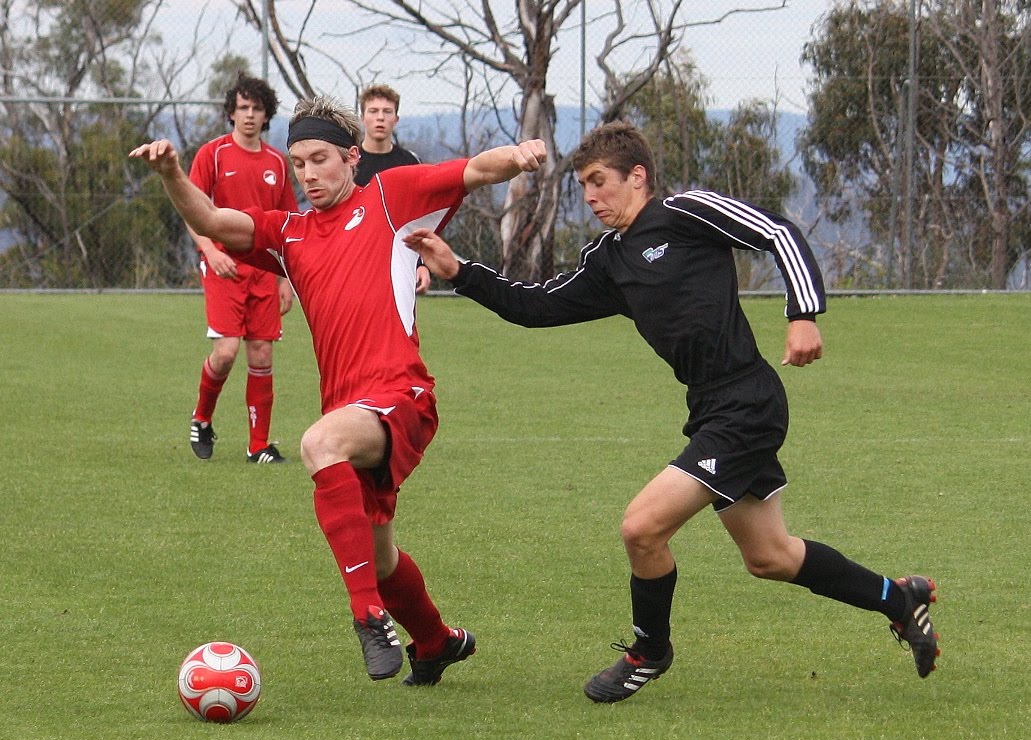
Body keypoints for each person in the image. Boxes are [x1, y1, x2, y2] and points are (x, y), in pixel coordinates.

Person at [404, 121, 940, 703]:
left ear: (638, 177)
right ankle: (898, 597)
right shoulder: (609, 260)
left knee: (642, 527)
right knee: (771, 557)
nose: (590, 197)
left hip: (747, 404)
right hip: (712, 408)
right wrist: (459, 271)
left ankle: (649, 650)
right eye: (584, 185)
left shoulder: (684, 212)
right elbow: (537, 307)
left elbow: (776, 231)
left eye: (599, 182)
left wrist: (803, 311)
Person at [130, 96, 546, 685]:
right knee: (380, 560)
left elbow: (475, 169)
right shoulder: (289, 234)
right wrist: (173, 173)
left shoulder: (390, 196)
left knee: (318, 443)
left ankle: (367, 618)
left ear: (351, 157)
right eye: (298, 162)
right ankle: (436, 641)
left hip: (402, 395)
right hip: (353, 408)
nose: (307, 174)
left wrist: (521, 155)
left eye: (319, 159)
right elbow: (212, 222)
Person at [186, 73, 298, 464]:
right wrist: (208, 250)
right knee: (227, 352)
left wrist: (285, 277)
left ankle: (258, 446)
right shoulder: (212, 155)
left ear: (266, 114)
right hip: (224, 267)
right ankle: (202, 417)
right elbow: (192, 210)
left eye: (257, 108)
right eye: (243, 108)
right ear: (231, 112)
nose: (249, 115)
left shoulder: (277, 163)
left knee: (262, 355)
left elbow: (286, 221)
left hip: (264, 269)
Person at [354, 84, 431, 294]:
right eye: (373, 111)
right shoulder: (349, 163)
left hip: (399, 260)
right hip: (355, 261)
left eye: (387, 112)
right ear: (362, 117)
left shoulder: (411, 163)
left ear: (396, 119)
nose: (380, 118)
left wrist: (421, 263)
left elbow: (420, 218)